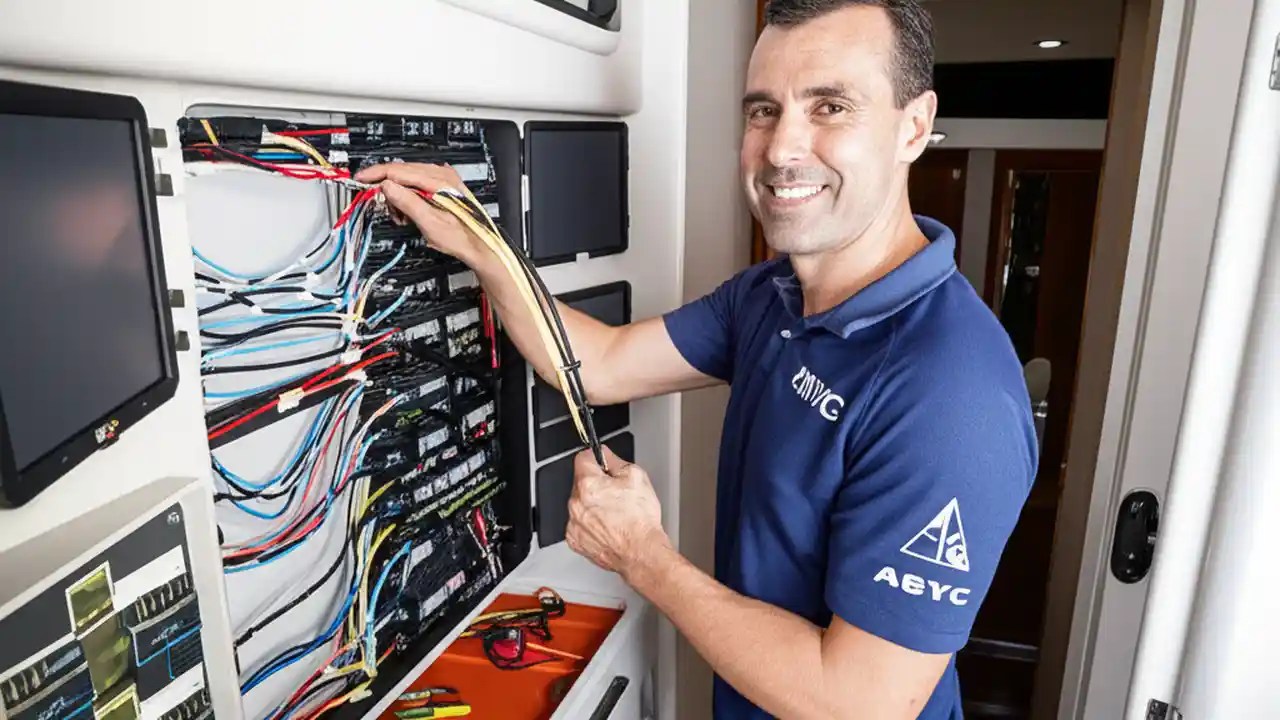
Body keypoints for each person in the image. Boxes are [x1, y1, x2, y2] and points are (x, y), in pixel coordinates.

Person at [356, 0, 1037, 716]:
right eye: (763, 110)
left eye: (831, 106)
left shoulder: (953, 395)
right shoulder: (770, 296)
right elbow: (605, 361)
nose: (781, 149)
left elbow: (856, 703)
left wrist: (642, 555)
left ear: (914, 126)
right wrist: (479, 240)